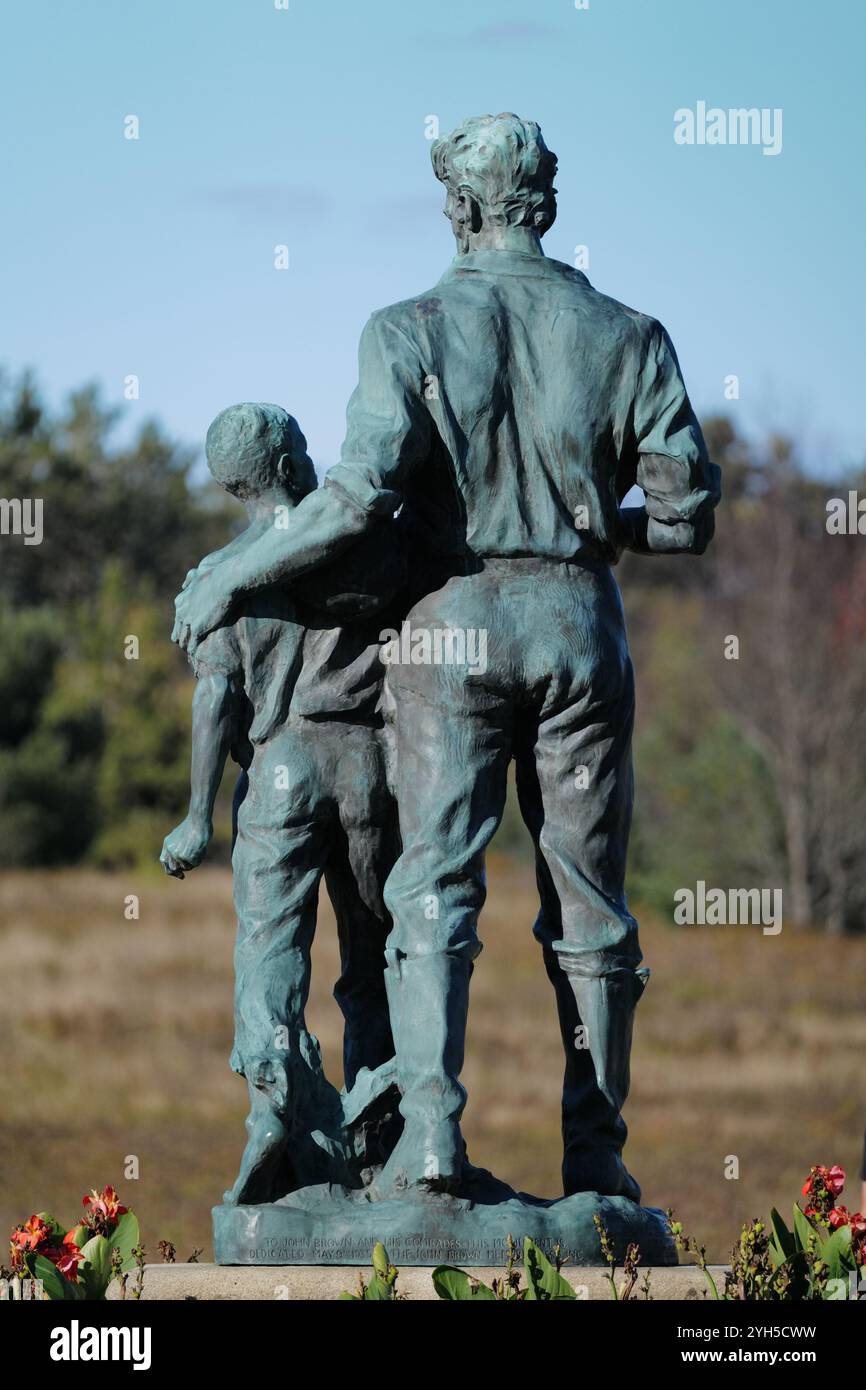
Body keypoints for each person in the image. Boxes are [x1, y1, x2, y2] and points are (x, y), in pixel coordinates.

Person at [173, 115, 720, 1203]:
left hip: (451, 628)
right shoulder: (629, 333)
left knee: (431, 885)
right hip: (576, 622)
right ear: (544, 206)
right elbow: (685, 519)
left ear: (459, 210)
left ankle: (429, 1139)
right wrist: (580, 525)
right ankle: (595, 1158)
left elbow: (350, 496)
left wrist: (236, 573)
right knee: (589, 903)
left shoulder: (405, 328)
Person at [162, 401, 402, 1202]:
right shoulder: (358, 551)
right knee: (373, 957)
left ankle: (275, 1114)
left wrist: (197, 814)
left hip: (277, 772)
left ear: (232, 485)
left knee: (269, 954)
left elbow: (215, 700)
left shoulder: (218, 581)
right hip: (368, 763)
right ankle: (381, 1131)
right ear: (292, 462)